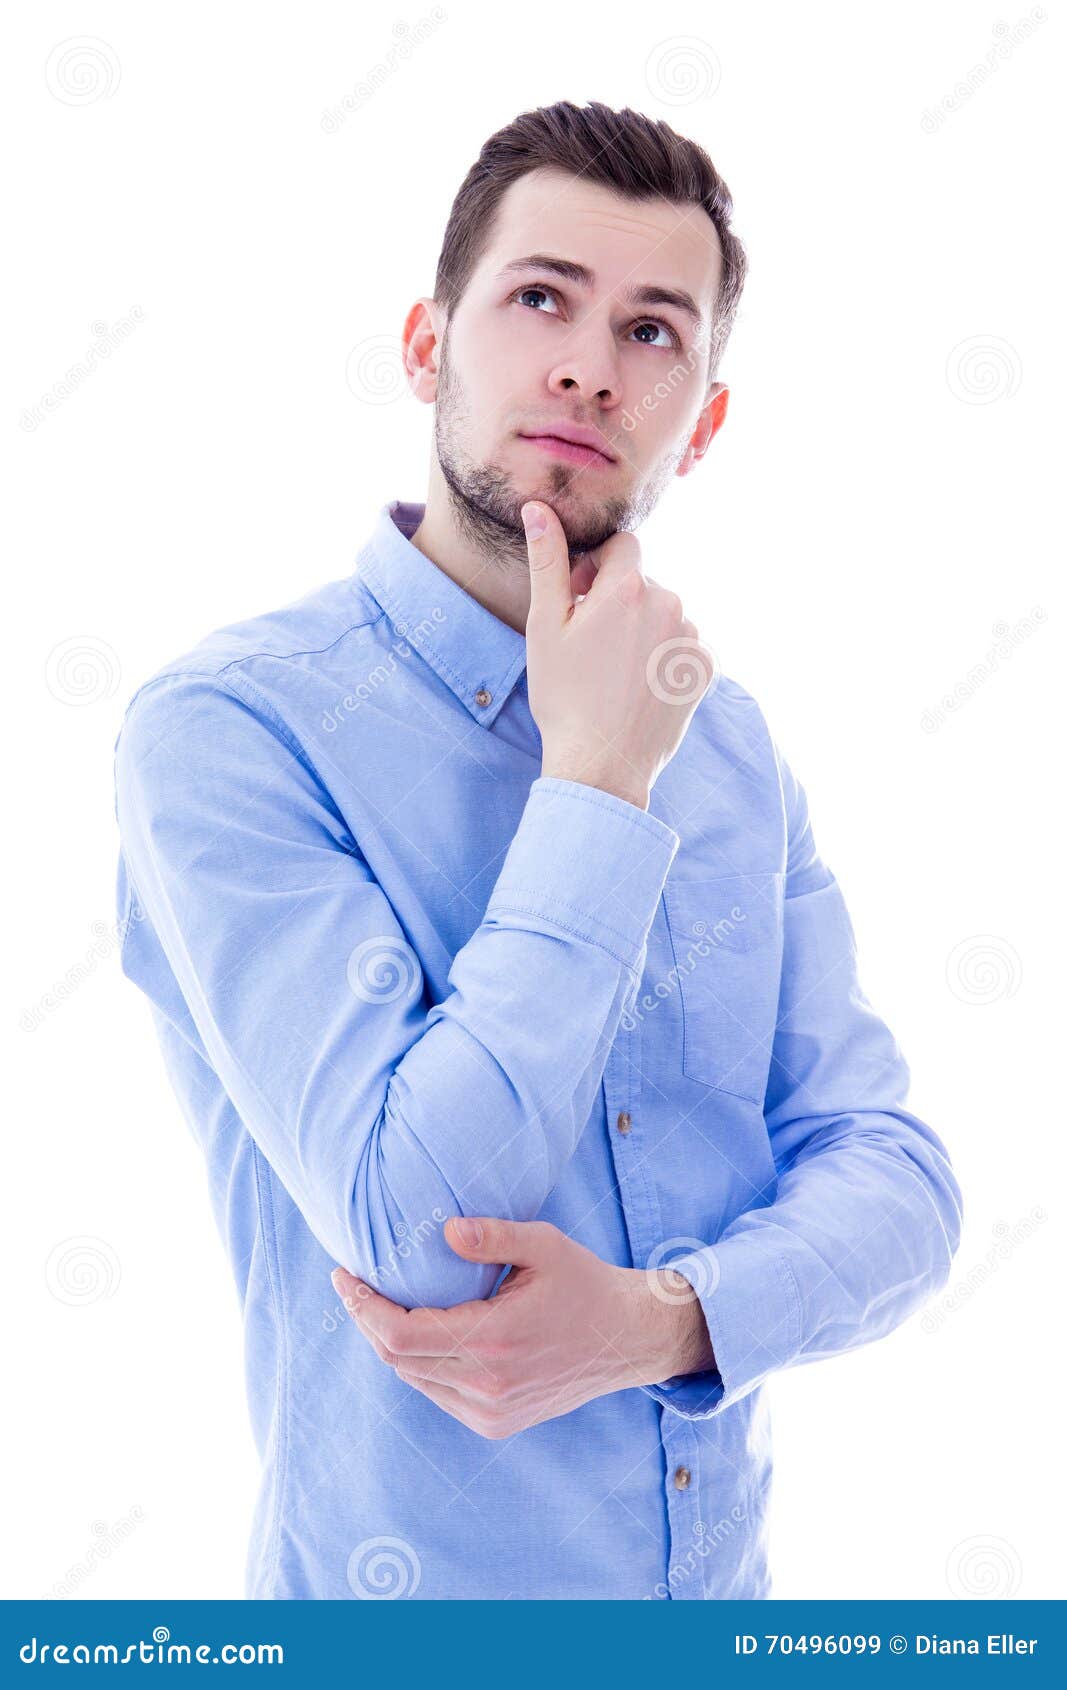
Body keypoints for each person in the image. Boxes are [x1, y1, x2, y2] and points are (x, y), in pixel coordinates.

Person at [111, 99, 962, 1601]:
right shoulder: (230, 729)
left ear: (699, 419)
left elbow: (896, 1178)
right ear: (428, 343)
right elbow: (419, 1228)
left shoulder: (732, 743)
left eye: (653, 330)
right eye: (540, 297)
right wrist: (595, 786)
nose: (587, 362)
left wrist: (666, 1321)